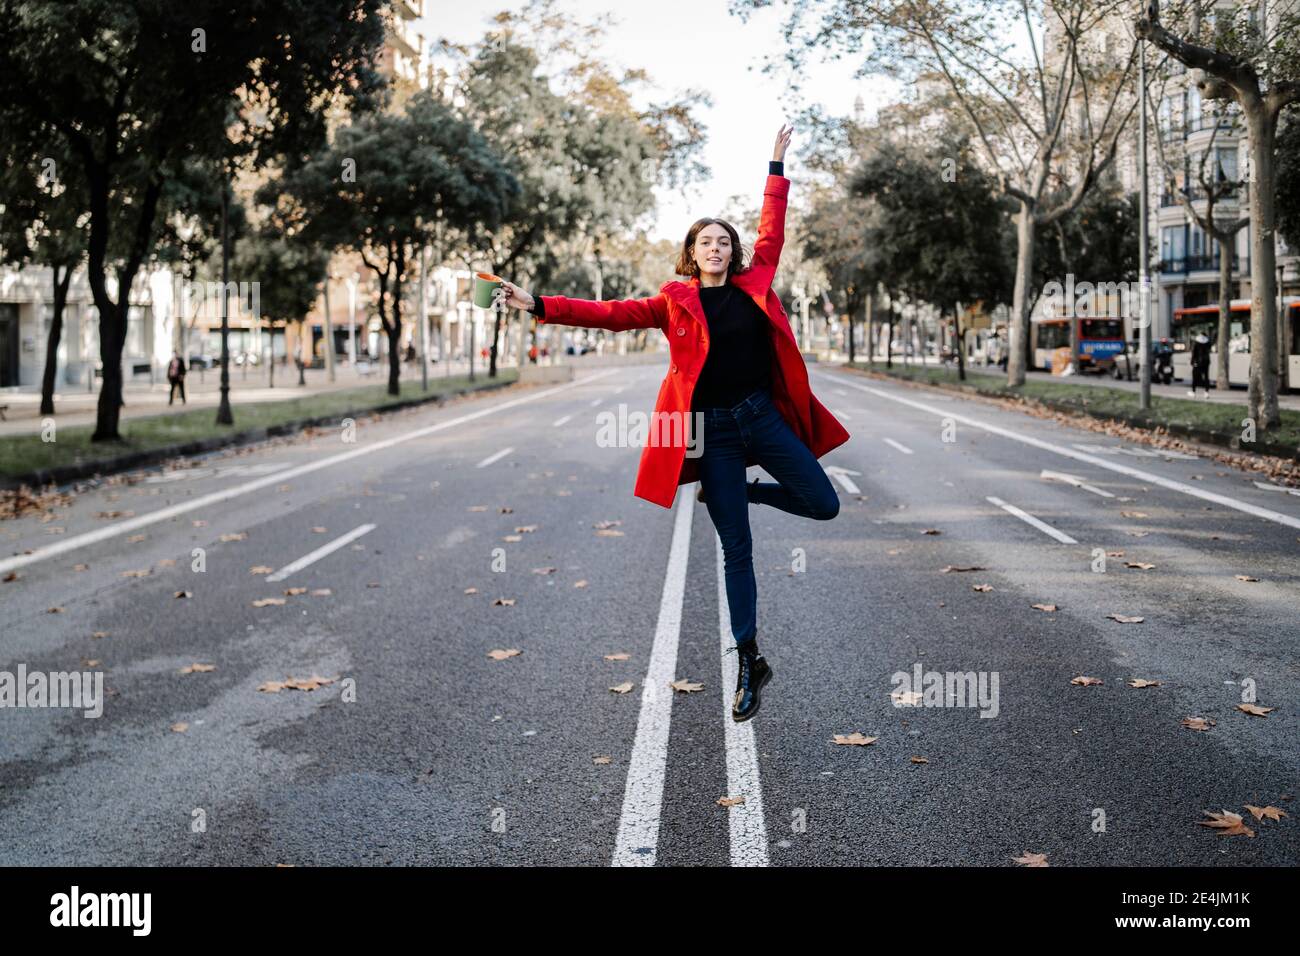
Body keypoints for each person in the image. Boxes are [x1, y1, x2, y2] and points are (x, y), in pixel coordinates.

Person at [495, 124, 850, 723]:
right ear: (692, 253)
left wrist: (775, 165)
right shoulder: (671, 302)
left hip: (760, 418)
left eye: (722, 241)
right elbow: (609, 314)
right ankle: (748, 661)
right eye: (704, 241)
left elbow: (772, 227)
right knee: (736, 551)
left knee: (823, 502)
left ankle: (742, 493)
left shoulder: (756, 279)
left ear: (732, 251)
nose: (715, 248)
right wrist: (540, 304)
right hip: (710, 432)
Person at [1189, 332, 1212, 398]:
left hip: (1197, 362)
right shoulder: (1207, 342)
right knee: (1206, 377)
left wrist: (1192, 362)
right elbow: (1209, 349)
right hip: (1206, 362)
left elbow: (1194, 353)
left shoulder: (1196, 342)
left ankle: (1193, 392)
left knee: (1195, 376)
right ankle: (1206, 392)